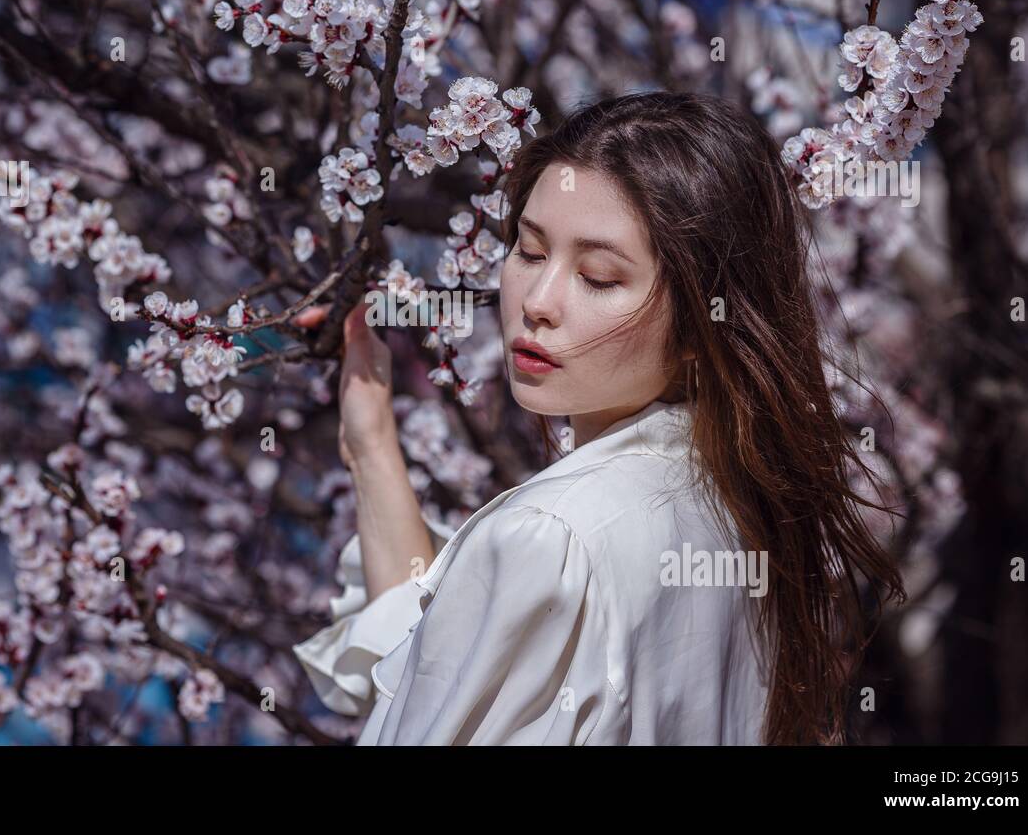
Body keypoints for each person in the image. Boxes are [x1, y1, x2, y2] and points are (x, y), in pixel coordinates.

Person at [292, 91, 905, 745]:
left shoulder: (551, 539)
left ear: (703, 321)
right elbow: (422, 665)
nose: (540, 302)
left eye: (600, 277)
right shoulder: (740, 509)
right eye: (528, 251)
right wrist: (372, 442)